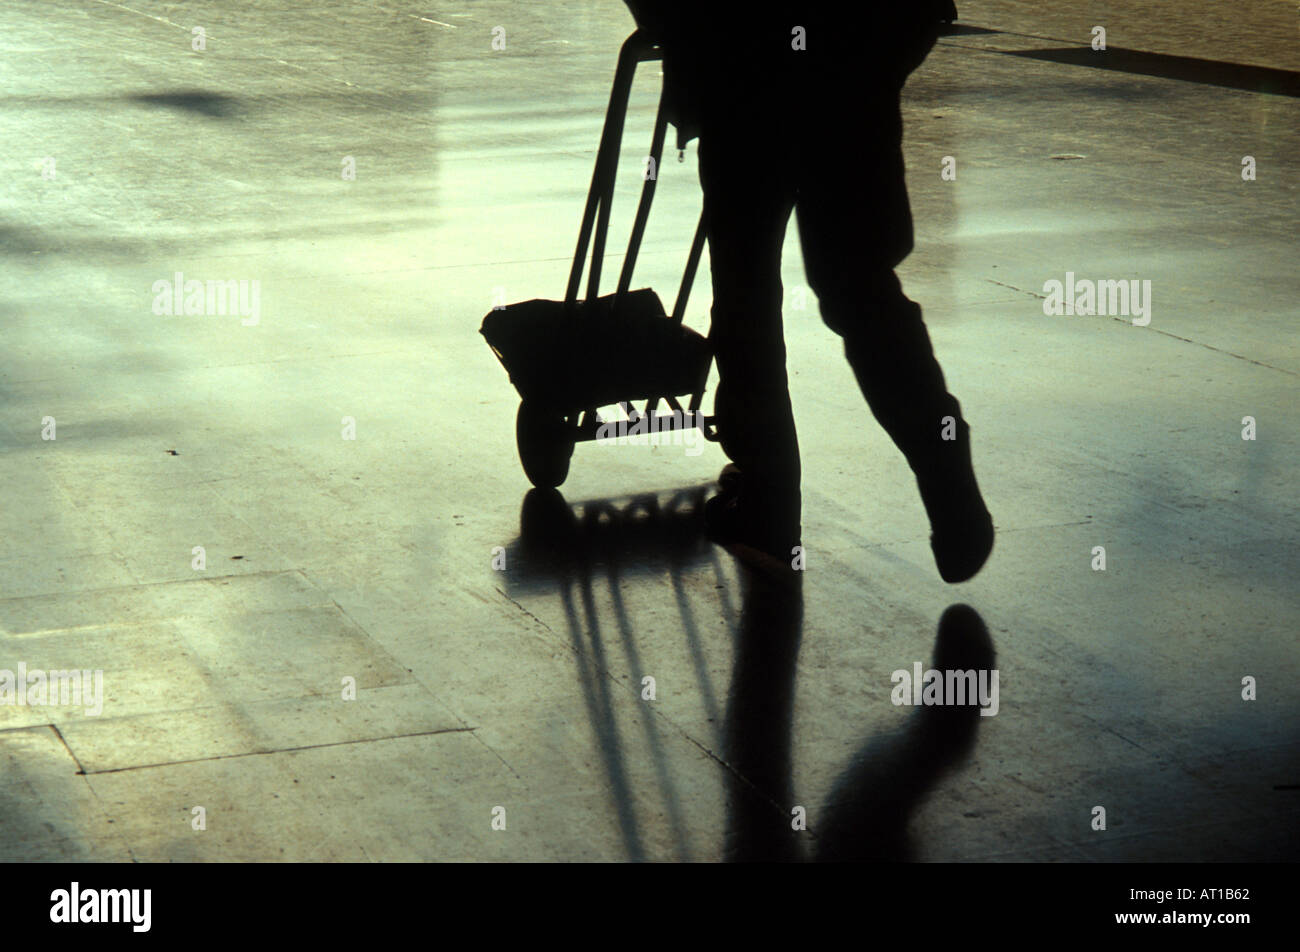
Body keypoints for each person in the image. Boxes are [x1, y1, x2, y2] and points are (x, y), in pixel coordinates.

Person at [623, 2, 993, 583]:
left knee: (747, 295)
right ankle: (941, 459)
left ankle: (769, 500)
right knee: (858, 285)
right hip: (849, 60)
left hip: (742, 67)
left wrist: (682, 48)